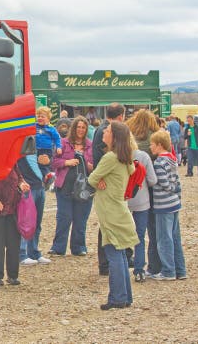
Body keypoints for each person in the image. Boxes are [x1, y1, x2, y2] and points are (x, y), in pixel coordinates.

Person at [88, 121, 139, 310]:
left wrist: (99, 179)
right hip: (119, 209)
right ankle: (124, 296)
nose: (104, 132)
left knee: (114, 254)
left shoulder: (110, 157)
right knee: (121, 254)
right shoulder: (124, 157)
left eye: (108, 130)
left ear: (114, 136)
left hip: (110, 211)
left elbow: (92, 178)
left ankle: (117, 297)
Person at [49, 116, 94, 256]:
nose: (80, 130)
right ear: (73, 128)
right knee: (64, 217)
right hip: (65, 186)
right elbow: (53, 162)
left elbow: (95, 165)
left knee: (81, 218)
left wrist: (88, 164)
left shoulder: (90, 145)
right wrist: (66, 162)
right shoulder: (63, 143)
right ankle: (58, 247)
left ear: (86, 129)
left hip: (84, 188)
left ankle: (79, 247)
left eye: (83, 127)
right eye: (78, 127)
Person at [149, 130, 188, 281]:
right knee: (175, 237)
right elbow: (176, 181)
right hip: (174, 203)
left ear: (159, 145)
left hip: (163, 204)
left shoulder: (159, 162)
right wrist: (176, 193)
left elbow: (163, 183)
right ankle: (180, 270)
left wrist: (169, 189)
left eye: (152, 144)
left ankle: (168, 271)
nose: (151, 147)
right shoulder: (172, 159)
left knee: (164, 239)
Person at [93, 102, 125, 275]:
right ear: (121, 116)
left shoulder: (104, 128)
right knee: (107, 223)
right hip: (106, 182)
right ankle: (105, 263)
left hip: (108, 179)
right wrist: (101, 178)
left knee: (111, 221)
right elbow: (100, 157)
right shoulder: (106, 130)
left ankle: (112, 260)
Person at [127, 135, 157, 282]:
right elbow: (152, 180)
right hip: (141, 200)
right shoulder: (143, 156)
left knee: (122, 235)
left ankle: (121, 264)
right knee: (139, 236)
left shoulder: (116, 156)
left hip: (123, 201)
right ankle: (139, 270)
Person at [18, 154, 50, 265]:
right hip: (27, 187)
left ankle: (34, 252)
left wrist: (45, 168)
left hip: (39, 186)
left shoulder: (35, 144)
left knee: (37, 223)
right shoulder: (19, 145)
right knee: (25, 222)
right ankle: (22, 254)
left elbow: (40, 162)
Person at [35, 106, 62, 188]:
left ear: (48, 118)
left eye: (42, 116)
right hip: (36, 149)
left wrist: (58, 147)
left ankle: (49, 176)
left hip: (47, 150)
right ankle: (44, 180)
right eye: (38, 116)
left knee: (44, 164)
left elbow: (57, 138)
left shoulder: (51, 129)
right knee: (37, 165)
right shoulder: (34, 126)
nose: (40, 118)